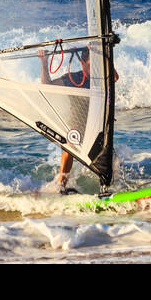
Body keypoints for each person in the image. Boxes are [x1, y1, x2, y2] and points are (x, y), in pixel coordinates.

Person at [38, 43, 92, 194]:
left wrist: (105, 58)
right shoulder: (73, 78)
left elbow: (114, 77)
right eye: (90, 64)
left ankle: (112, 184)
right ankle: (61, 186)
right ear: (82, 63)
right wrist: (44, 62)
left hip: (96, 121)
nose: (94, 68)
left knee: (110, 156)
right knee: (70, 148)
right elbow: (47, 85)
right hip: (77, 121)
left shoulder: (100, 77)